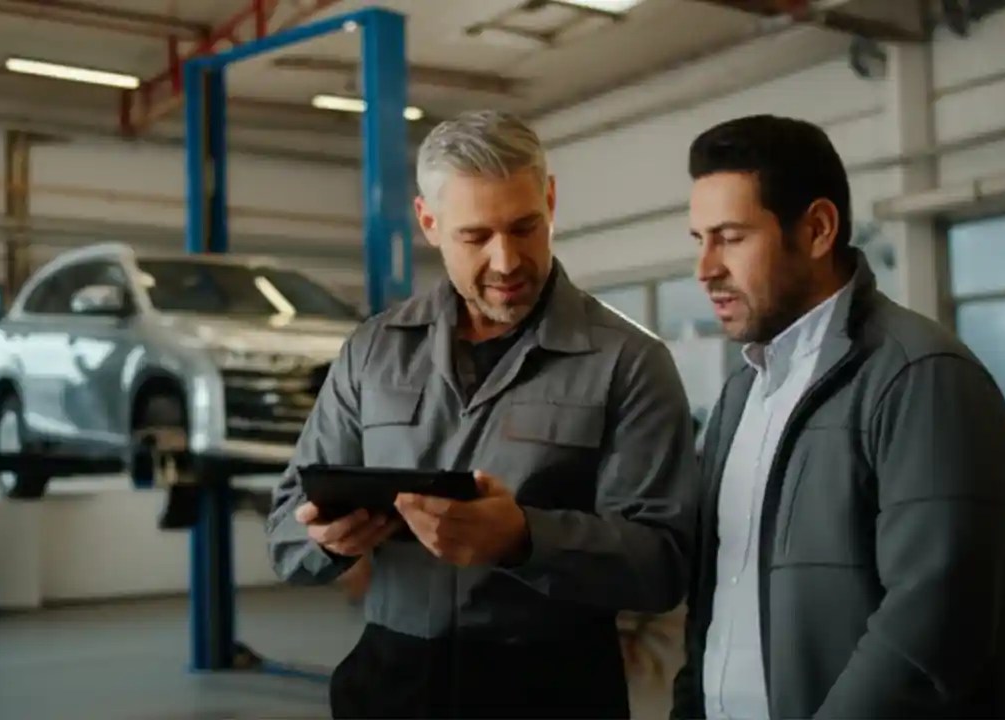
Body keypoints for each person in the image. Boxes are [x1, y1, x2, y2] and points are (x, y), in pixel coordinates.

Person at [266, 109, 700, 719]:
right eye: (475, 237)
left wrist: (525, 539)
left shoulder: (628, 362)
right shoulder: (372, 351)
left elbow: (664, 564)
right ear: (429, 222)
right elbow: (286, 533)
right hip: (390, 687)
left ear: (550, 200)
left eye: (525, 227)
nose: (506, 262)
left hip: (551, 692)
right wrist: (325, 539)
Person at [671, 114, 1005, 719]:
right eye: (699, 239)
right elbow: (716, 601)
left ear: (816, 229)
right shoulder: (742, 393)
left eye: (731, 238)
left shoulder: (920, 376)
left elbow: (931, 627)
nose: (705, 268)